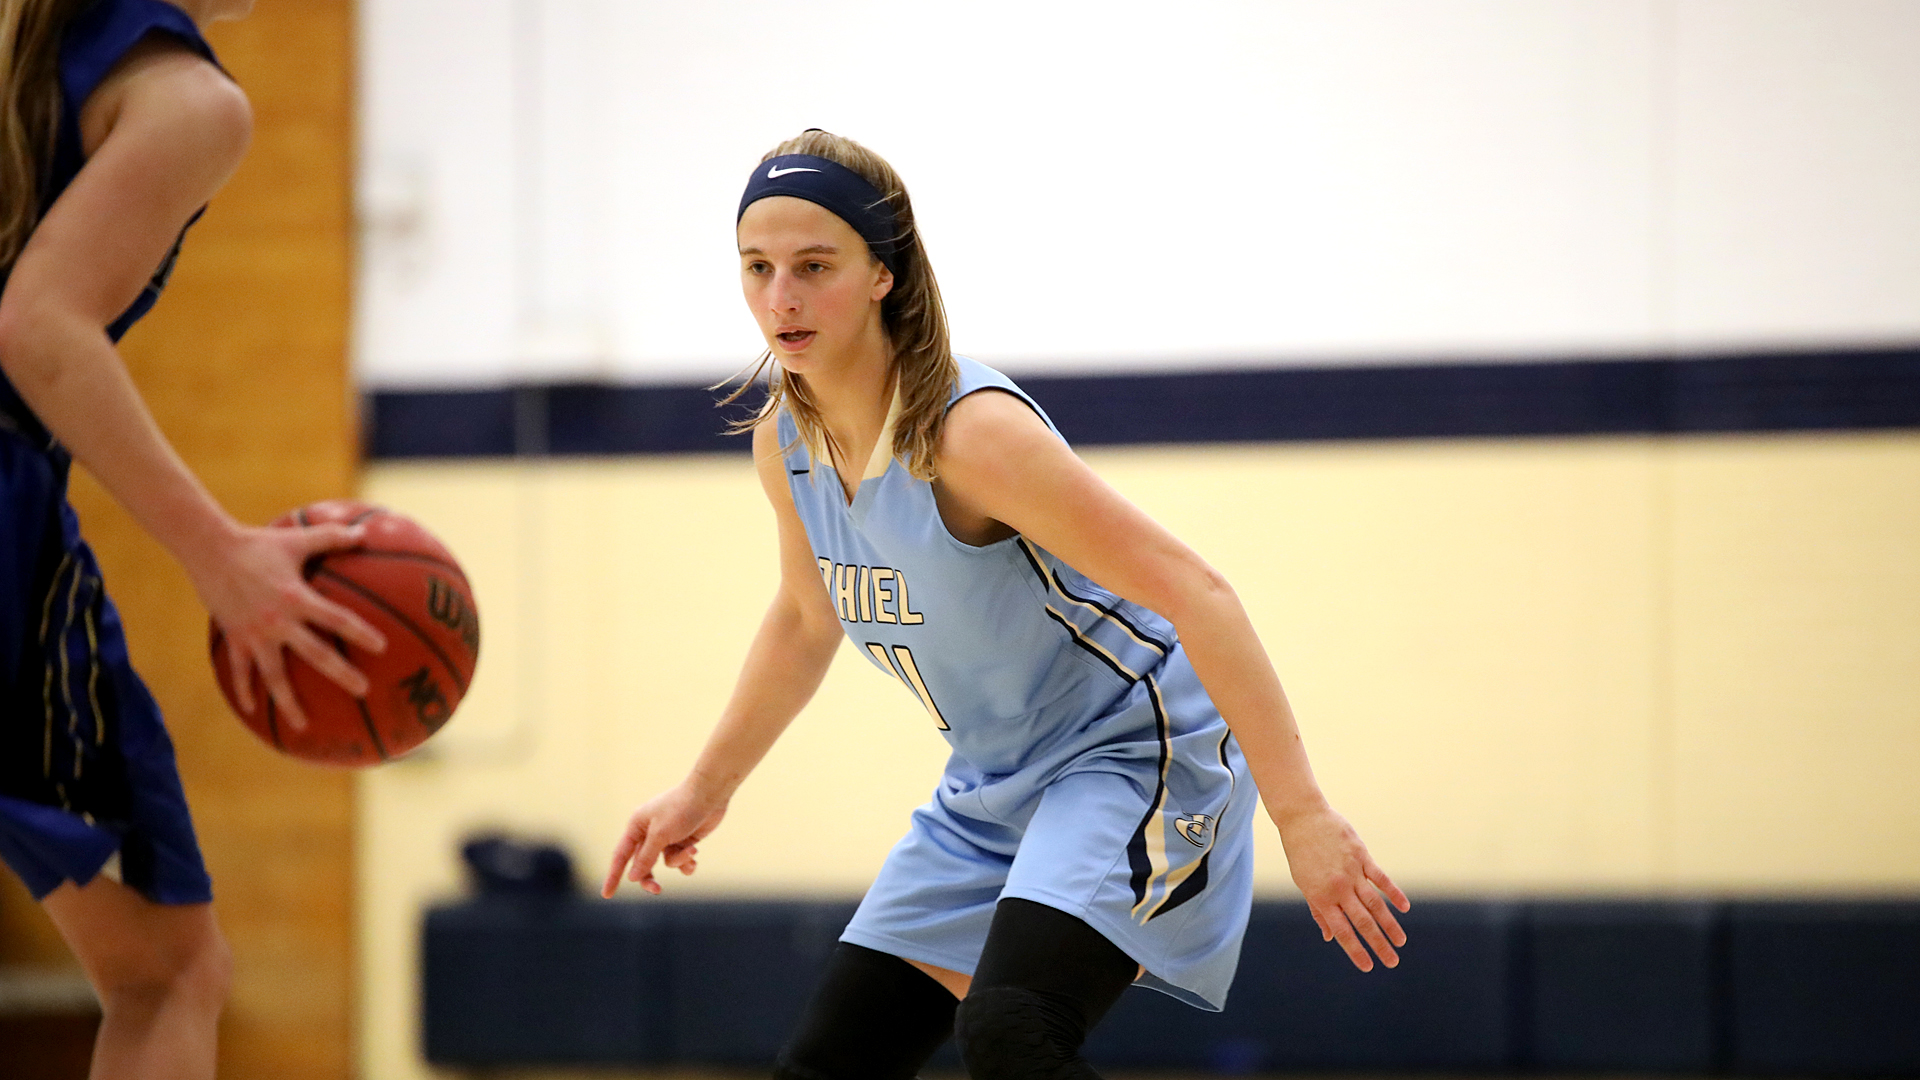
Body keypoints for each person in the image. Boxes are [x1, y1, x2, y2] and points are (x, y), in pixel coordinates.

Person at [602, 129, 1409, 1080]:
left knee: (1014, 1035)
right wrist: (706, 788)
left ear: (882, 275)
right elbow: (805, 617)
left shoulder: (970, 433)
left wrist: (1301, 813)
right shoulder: (787, 440)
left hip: (1131, 749)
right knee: (826, 1068)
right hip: (993, 781)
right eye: (758, 267)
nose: (781, 297)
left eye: (814, 266)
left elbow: (1199, 592)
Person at [0, 1, 384, 1076]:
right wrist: (223, 554)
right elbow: (38, 326)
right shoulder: (188, 101)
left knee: (166, 967)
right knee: (166, 974)